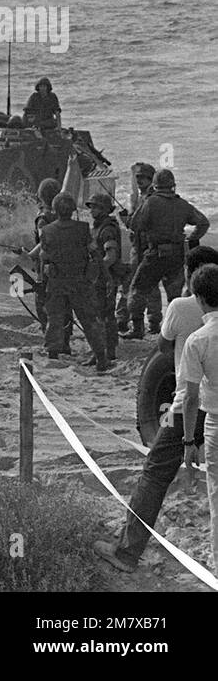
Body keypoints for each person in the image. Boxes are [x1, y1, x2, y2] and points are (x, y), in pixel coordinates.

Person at [93, 246, 218, 572]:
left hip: (186, 406)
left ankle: (127, 553)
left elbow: (163, 349)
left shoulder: (179, 306)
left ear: (191, 275)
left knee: (155, 475)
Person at [126, 169, 210, 340]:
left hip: (155, 255)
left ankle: (138, 328)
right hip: (177, 256)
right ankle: (174, 330)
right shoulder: (183, 205)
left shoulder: (151, 202)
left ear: (155, 185)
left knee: (137, 290)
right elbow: (203, 222)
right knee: (174, 296)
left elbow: (135, 224)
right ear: (173, 185)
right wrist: (190, 239)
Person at [37, 192, 109, 370]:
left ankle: (53, 353)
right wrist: (103, 275)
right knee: (89, 320)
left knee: (55, 318)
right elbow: (94, 253)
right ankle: (101, 357)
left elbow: (43, 258)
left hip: (57, 282)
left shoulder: (47, 231)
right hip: (80, 282)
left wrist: (41, 280)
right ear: (73, 210)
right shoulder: (83, 229)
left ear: (55, 210)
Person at [180, 263, 218, 575]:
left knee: (217, 493)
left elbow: (191, 397)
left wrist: (189, 441)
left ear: (199, 299)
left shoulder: (198, 339)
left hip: (216, 421)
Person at [30, 178, 72, 354]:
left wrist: (30, 254)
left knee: (45, 306)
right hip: (67, 267)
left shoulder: (43, 219)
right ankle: (65, 342)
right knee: (65, 305)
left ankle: (53, 344)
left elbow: (45, 242)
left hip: (47, 268)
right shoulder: (64, 215)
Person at [118, 162, 159, 335]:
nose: (140, 181)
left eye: (144, 178)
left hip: (146, 248)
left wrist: (127, 220)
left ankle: (145, 323)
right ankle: (132, 321)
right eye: (138, 178)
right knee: (138, 284)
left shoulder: (151, 199)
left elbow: (138, 224)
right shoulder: (142, 197)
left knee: (140, 285)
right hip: (140, 247)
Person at [88, 193, 125, 362]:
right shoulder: (100, 226)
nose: (91, 210)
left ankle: (104, 352)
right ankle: (105, 351)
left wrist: (96, 269)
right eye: (91, 207)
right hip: (101, 278)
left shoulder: (107, 229)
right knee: (102, 315)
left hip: (104, 279)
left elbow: (111, 256)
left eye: (95, 207)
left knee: (102, 316)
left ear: (104, 209)